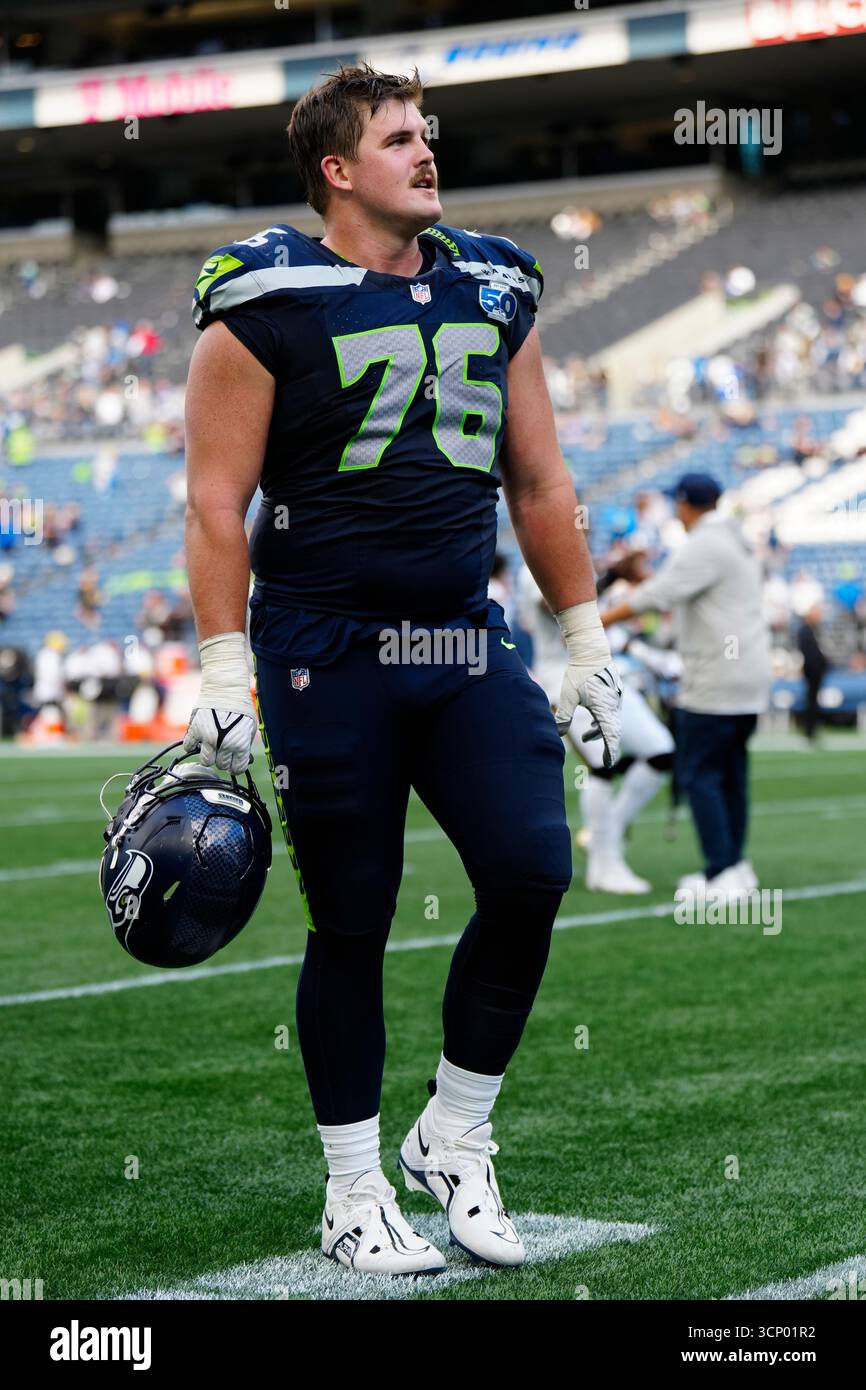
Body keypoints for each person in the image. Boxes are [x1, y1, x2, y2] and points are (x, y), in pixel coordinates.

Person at [182, 63, 622, 1278]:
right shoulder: (268, 295)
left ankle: (454, 1134)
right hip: (324, 646)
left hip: (458, 636)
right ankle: (352, 1185)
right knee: (353, 919)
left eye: (426, 134)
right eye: (396, 139)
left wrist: (581, 641)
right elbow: (217, 500)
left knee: (532, 868)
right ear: (336, 170)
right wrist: (225, 662)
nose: (426, 154)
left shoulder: (491, 282)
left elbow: (537, 480)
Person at [601, 473, 770, 898]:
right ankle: (735, 864)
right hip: (748, 679)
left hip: (715, 680)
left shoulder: (705, 544)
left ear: (684, 504)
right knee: (731, 773)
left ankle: (720, 871)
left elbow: (657, 595)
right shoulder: (737, 540)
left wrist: (595, 621)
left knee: (700, 774)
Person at [518, 555, 675, 895]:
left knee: (661, 751)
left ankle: (608, 833)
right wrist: (612, 576)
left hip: (604, 672)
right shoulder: (535, 562)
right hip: (565, 676)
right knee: (603, 764)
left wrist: (617, 576)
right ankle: (605, 866)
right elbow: (559, 610)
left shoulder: (585, 559)